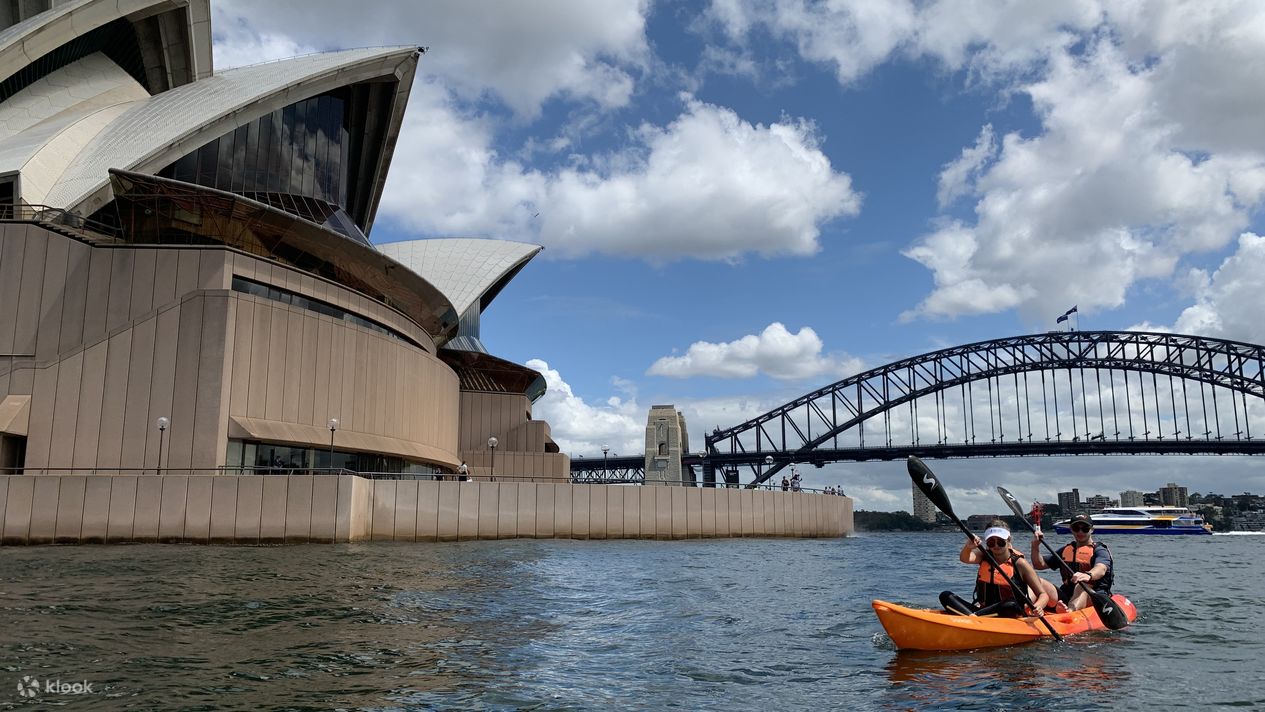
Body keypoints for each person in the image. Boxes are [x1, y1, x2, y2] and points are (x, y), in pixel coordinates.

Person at [940, 520, 1053, 618]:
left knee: (1011, 604)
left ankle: (972, 616)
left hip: (1009, 613)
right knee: (945, 595)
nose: (996, 546)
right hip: (984, 611)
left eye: (1000, 542)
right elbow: (965, 558)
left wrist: (1038, 607)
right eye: (991, 542)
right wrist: (968, 547)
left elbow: (1043, 594)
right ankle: (974, 617)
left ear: (1008, 541)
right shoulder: (983, 555)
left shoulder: (1020, 564)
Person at [1032, 513, 1113, 612]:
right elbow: (1039, 565)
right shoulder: (1066, 550)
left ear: (1091, 529)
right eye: (1076, 528)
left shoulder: (1099, 550)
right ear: (1071, 529)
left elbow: (1101, 568)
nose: (1080, 532)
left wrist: (1088, 575)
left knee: (1081, 585)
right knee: (1037, 581)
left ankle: (1069, 612)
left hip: (1094, 595)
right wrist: (1035, 546)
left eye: (1085, 529)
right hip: (1067, 594)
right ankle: (1030, 608)